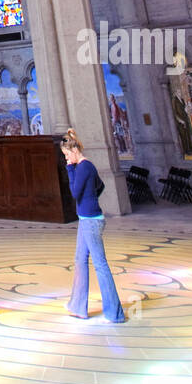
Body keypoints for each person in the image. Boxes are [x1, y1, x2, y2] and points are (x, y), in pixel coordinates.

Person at [61, 127, 125, 322]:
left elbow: (75, 192)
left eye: (66, 155)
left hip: (91, 221)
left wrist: (69, 169)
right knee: (80, 260)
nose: (66, 159)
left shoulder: (82, 167)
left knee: (100, 264)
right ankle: (78, 306)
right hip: (86, 219)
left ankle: (114, 313)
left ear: (74, 150)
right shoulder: (88, 166)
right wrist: (91, 200)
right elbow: (100, 186)